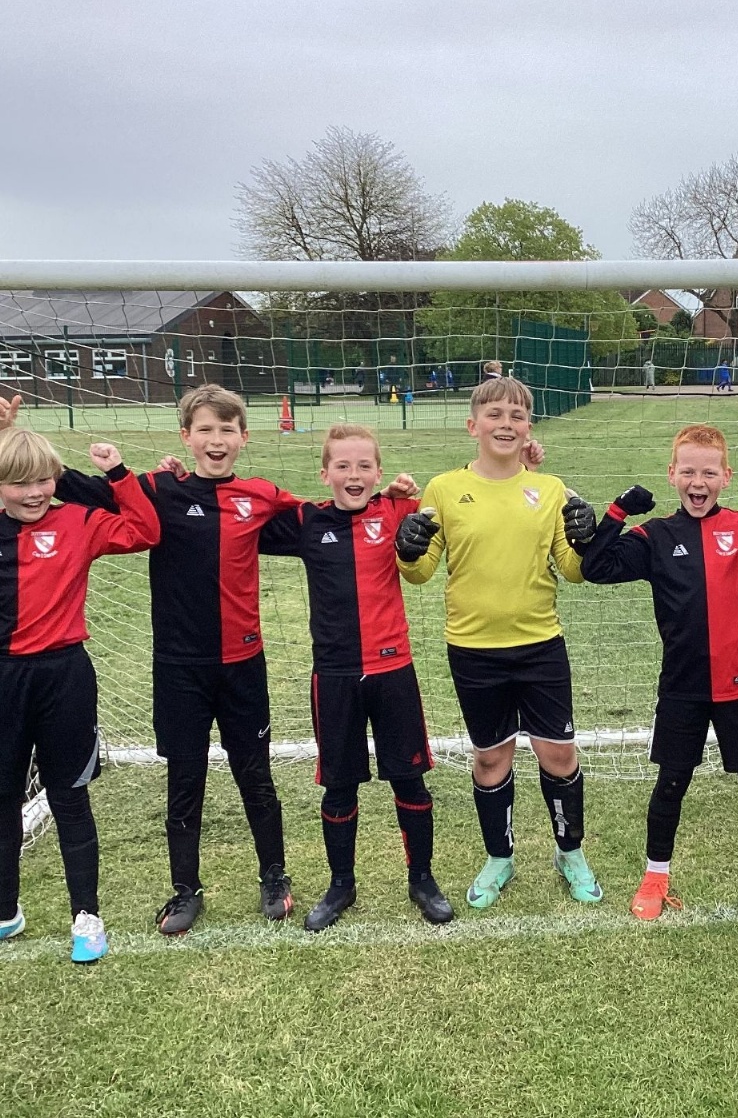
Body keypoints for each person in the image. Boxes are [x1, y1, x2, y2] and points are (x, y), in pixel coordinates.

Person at [14, 385, 305, 935]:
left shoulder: (261, 495)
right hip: (179, 669)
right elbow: (74, 486)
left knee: (255, 777)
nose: (215, 440)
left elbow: (323, 521)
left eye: (226, 429)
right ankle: (185, 890)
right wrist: (11, 434)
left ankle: (274, 876)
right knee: (185, 779)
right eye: (204, 429)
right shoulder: (156, 487)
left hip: (243, 665)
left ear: (244, 436)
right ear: (185, 436)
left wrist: (392, 509)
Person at [396, 377, 602, 908]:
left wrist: (587, 536)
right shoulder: (443, 489)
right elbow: (419, 574)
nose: (505, 423)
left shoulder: (551, 489)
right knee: (491, 759)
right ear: (473, 426)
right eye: (494, 414)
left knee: (558, 753)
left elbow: (575, 572)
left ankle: (569, 851)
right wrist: (406, 546)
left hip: (540, 645)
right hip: (473, 649)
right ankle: (500, 856)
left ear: (529, 426)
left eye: (516, 415)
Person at [580, 426, 738, 918]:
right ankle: (655, 877)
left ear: (725, 477)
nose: (697, 481)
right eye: (687, 471)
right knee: (671, 784)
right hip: (682, 688)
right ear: (672, 475)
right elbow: (594, 567)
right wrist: (618, 511)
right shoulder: (656, 535)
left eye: (708, 472)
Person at [261, 425, 453, 931]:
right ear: (324, 474)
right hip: (335, 675)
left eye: (364, 465)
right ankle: (341, 884)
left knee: (409, 778)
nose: (354, 474)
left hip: (393, 671)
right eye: (342, 466)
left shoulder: (395, 513)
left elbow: (451, 518)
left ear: (379, 473)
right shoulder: (306, 520)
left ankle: (422, 879)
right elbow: (237, 524)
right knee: (340, 787)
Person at [0, 430, 160, 962]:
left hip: (64, 677)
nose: (34, 492)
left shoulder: (77, 521)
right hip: (4, 680)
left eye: (44, 479)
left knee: (69, 796)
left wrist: (115, 474)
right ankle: (6, 910)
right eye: (19, 482)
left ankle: (86, 917)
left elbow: (145, 529)